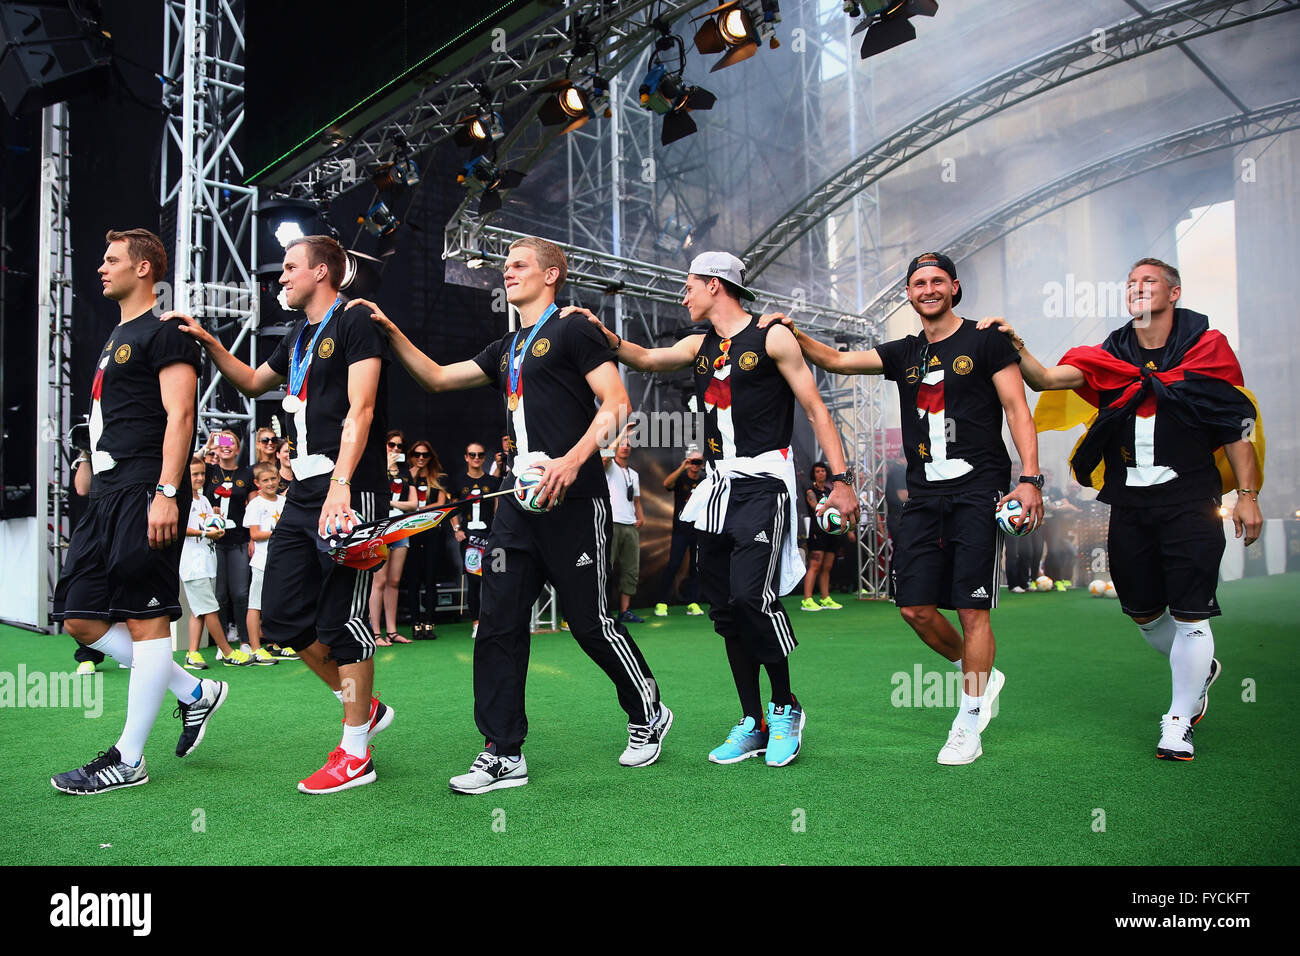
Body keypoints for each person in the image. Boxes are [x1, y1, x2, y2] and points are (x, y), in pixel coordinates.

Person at [354, 235, 668, 793]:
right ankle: (503, 751)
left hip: (574, 500)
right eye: (505, 266)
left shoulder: (573, 328)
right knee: (496, 624)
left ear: (552, 275)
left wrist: (573, 462)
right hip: (516, 507)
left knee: (590, 622)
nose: (508, 272)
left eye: (520, 265)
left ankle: (647, 710)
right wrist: (390, 330)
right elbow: (437, 377)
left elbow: (617, 403)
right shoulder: (507, 347)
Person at [566, 250, 859, 768]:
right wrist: (602, 334)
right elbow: (646, 358)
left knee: (751, 598)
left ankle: (786, 706)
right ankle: (754, 721)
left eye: (690, 285)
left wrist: (841, 482)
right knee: (723, 609)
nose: (684, 295)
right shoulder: (698, 345)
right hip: (718, 490)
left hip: (764, 484)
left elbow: (815, 409)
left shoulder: (772, 337)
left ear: (716, 286)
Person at [762, 252, 1042, 766]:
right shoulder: (904, 352)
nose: (928, 289)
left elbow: (1017, 408)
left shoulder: (986, 340)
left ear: (954, 288)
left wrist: (1029, 478)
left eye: (938, 281)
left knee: (972, 610)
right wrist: (793, 334)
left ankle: (969, 716)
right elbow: (839, 361)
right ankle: (976, 671)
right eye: (918, 282)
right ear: (909, 294)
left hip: (979, 492)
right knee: (914, 609)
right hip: (922, 497)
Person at [979, 257, 1263, 761]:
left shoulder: (1208, 349)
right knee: (1143, 611)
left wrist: (1247, 494)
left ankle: (1178, 719)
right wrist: (1015, 345)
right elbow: (1044, 379)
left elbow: (1233, 421)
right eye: (1130, 283)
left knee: (1192, 613)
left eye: (1148, 281)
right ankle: (1202, 668)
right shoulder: (1108, 356)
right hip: (1130, 503)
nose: (1137, 288)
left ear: (1174, 293)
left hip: (1192, 501)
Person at [167, 234, 395, 794]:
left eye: (291, 267)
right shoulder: (296, 335)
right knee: (285, 625)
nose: (281, 277)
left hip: (350, 490)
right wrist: (207, 341)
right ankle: (363, 706)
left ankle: (355, 752)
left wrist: (342, 484)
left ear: (323, 272)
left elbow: (361, 410)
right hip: (303, 495)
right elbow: (249, 381)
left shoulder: (354, 321)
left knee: (344, 621)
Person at [50, 228, 228, 794]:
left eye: (112, 260)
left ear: (145, 268)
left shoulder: (168, 331)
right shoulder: (116, 336)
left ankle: (128, 759)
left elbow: (180, 417)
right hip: (105, 492)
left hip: (143, 488)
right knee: (79, 616)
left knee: (148, 621)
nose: (101, 267)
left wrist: (167, 492)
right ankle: (192, 693)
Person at [181, 454, 246, 669]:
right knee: (209, 609)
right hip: (193, 563)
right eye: (194, 474)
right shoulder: (181, 499)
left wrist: (215, 527)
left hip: (208, 561)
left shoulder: (205, 499)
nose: (199, 478)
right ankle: (227, 651)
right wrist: (204, 532)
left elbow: (211, 526)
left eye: (201, 474)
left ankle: (192, 654)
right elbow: (180, 529)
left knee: (199, 610)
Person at [205, 428, 254, 653]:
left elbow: (253, 508)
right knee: (220, 595)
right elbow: (191, 464)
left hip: (238, 540)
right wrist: (208, 445)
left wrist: (253, 538)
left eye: (230, 442)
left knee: (241, 592)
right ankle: (222, 641)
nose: (226, 446)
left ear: (237, 447)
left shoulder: (246, 474)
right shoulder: (208, 471)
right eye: (221, 442)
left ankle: (244, 640)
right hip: (213, 542)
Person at [448, 440, 501, 637]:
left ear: (484, 458)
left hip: (490, 537)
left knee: (495, 578)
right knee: (474, 581)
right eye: (472, 455)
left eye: (479, 455)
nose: (476, 458)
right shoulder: (459, 481)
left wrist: (498, 533)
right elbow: (452, 507)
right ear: (466, 457)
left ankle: (494, 620)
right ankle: (477, 623)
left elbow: (497, 507)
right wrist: (456, 529)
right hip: (470, 539)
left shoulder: (492, 482)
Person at [371, 429, 418, 645]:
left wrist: (393, 504)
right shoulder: (376, 467)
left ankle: (392, 630)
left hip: (400, 527)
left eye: (400, 446)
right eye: (392, 445)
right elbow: (376, 495)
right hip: (381, 527)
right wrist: (387, 466)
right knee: (378, 580)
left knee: (395, 580)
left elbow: (414, 504)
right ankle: (375, 632)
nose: (396, 449)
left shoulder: (406, 473)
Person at [243, 461, 290, 661]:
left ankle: (278, 643)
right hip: (262, 561)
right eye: (265, 480)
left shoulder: (284, 501)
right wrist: (276, 532)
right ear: (257, 483)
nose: (270, 483)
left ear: (279, 478)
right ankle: (255, 648)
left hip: (281, 562)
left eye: (273, 479)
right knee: (256, 604)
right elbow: (254, 533)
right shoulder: (256, 504)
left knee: (278, 604)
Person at [404, 440, 449, 639]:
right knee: (412, 579)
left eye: (425, 455)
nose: (421, 458)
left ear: (431, 457)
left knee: (431, 578)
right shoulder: (405, 477)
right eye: (417, 454)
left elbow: (441, 503)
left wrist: (418, 510)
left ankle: (429, 622)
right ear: (411, 455)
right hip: (411, 531)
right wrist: (410, 475)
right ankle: (415, 622)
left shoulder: (438, 478)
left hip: (431, 531)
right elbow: (402, 500)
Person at [653, 449, 705, 618]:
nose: (695, 466)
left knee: (696, 567)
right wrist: (683, 467)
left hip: (698, 530)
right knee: (674, 564)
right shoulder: (681, 477)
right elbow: (666, 484)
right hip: (681, 530)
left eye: (698, 462)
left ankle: (693, 603)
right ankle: (661, 603)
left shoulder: (705, 481)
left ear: (702, 464)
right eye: (692, 461)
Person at [603, 440, 645, 623]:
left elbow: (636, 500)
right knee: (605, 568)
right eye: (622, 444)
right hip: (611, 523)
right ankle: (602, 611)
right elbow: (604, 459)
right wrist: (615, 440)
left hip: (630, 525)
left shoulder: (634, 474)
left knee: (631, 569)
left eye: (628, 444)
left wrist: (641, 517)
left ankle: (625, 611)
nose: (626, 447)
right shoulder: (609, 467)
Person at [800, 461, 843, 611]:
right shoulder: (811, 491)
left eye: (823, 471)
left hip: (831, 533)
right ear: (814, 474)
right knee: (815, 565)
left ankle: (825, 598)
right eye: (817, 471)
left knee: (827, 566)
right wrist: (831, 508)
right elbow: (816, 507)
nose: (821, 473)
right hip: (817, 532)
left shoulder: (830, 491)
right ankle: (807, 599)